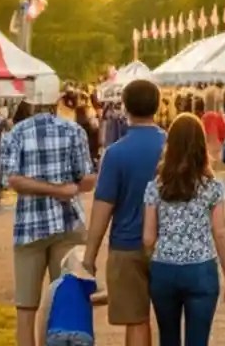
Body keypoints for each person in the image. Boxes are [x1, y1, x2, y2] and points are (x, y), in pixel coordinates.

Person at [0, 95, 96, 346]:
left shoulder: (16, 133)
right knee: (64, 303)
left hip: (29, 227)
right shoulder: (74, 131)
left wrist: (47, 187)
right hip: (68, 224)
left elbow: (11, 180)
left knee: (26, 308)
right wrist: (64, 189)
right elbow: (86, 179)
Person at [83, 79, 167, 346]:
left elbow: (103, 208)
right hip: (171, 245)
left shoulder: (116, 153)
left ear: (124, 108)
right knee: (171, 322)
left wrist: (90, 257)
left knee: (136, 320)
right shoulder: (173, 147)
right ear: (158, 105)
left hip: (127, 245)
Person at [143, 113, 225, 346]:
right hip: (201, 269)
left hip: (164, 268)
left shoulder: (156, 186)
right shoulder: (212, 187)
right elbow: (221, 232)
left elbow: (147, 237)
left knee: (168, 338)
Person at [43, 247, 99, 346]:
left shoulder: (56, 285)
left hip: (56, 332)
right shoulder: (90, 286)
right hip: (82, 333)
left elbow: (44, 313)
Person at [200, 98, 225, 167]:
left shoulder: (204, 117)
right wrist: (222, 140)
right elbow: (223, 130)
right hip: (217, 142)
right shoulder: (219, 117)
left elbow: (201, 129)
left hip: (207, 142)